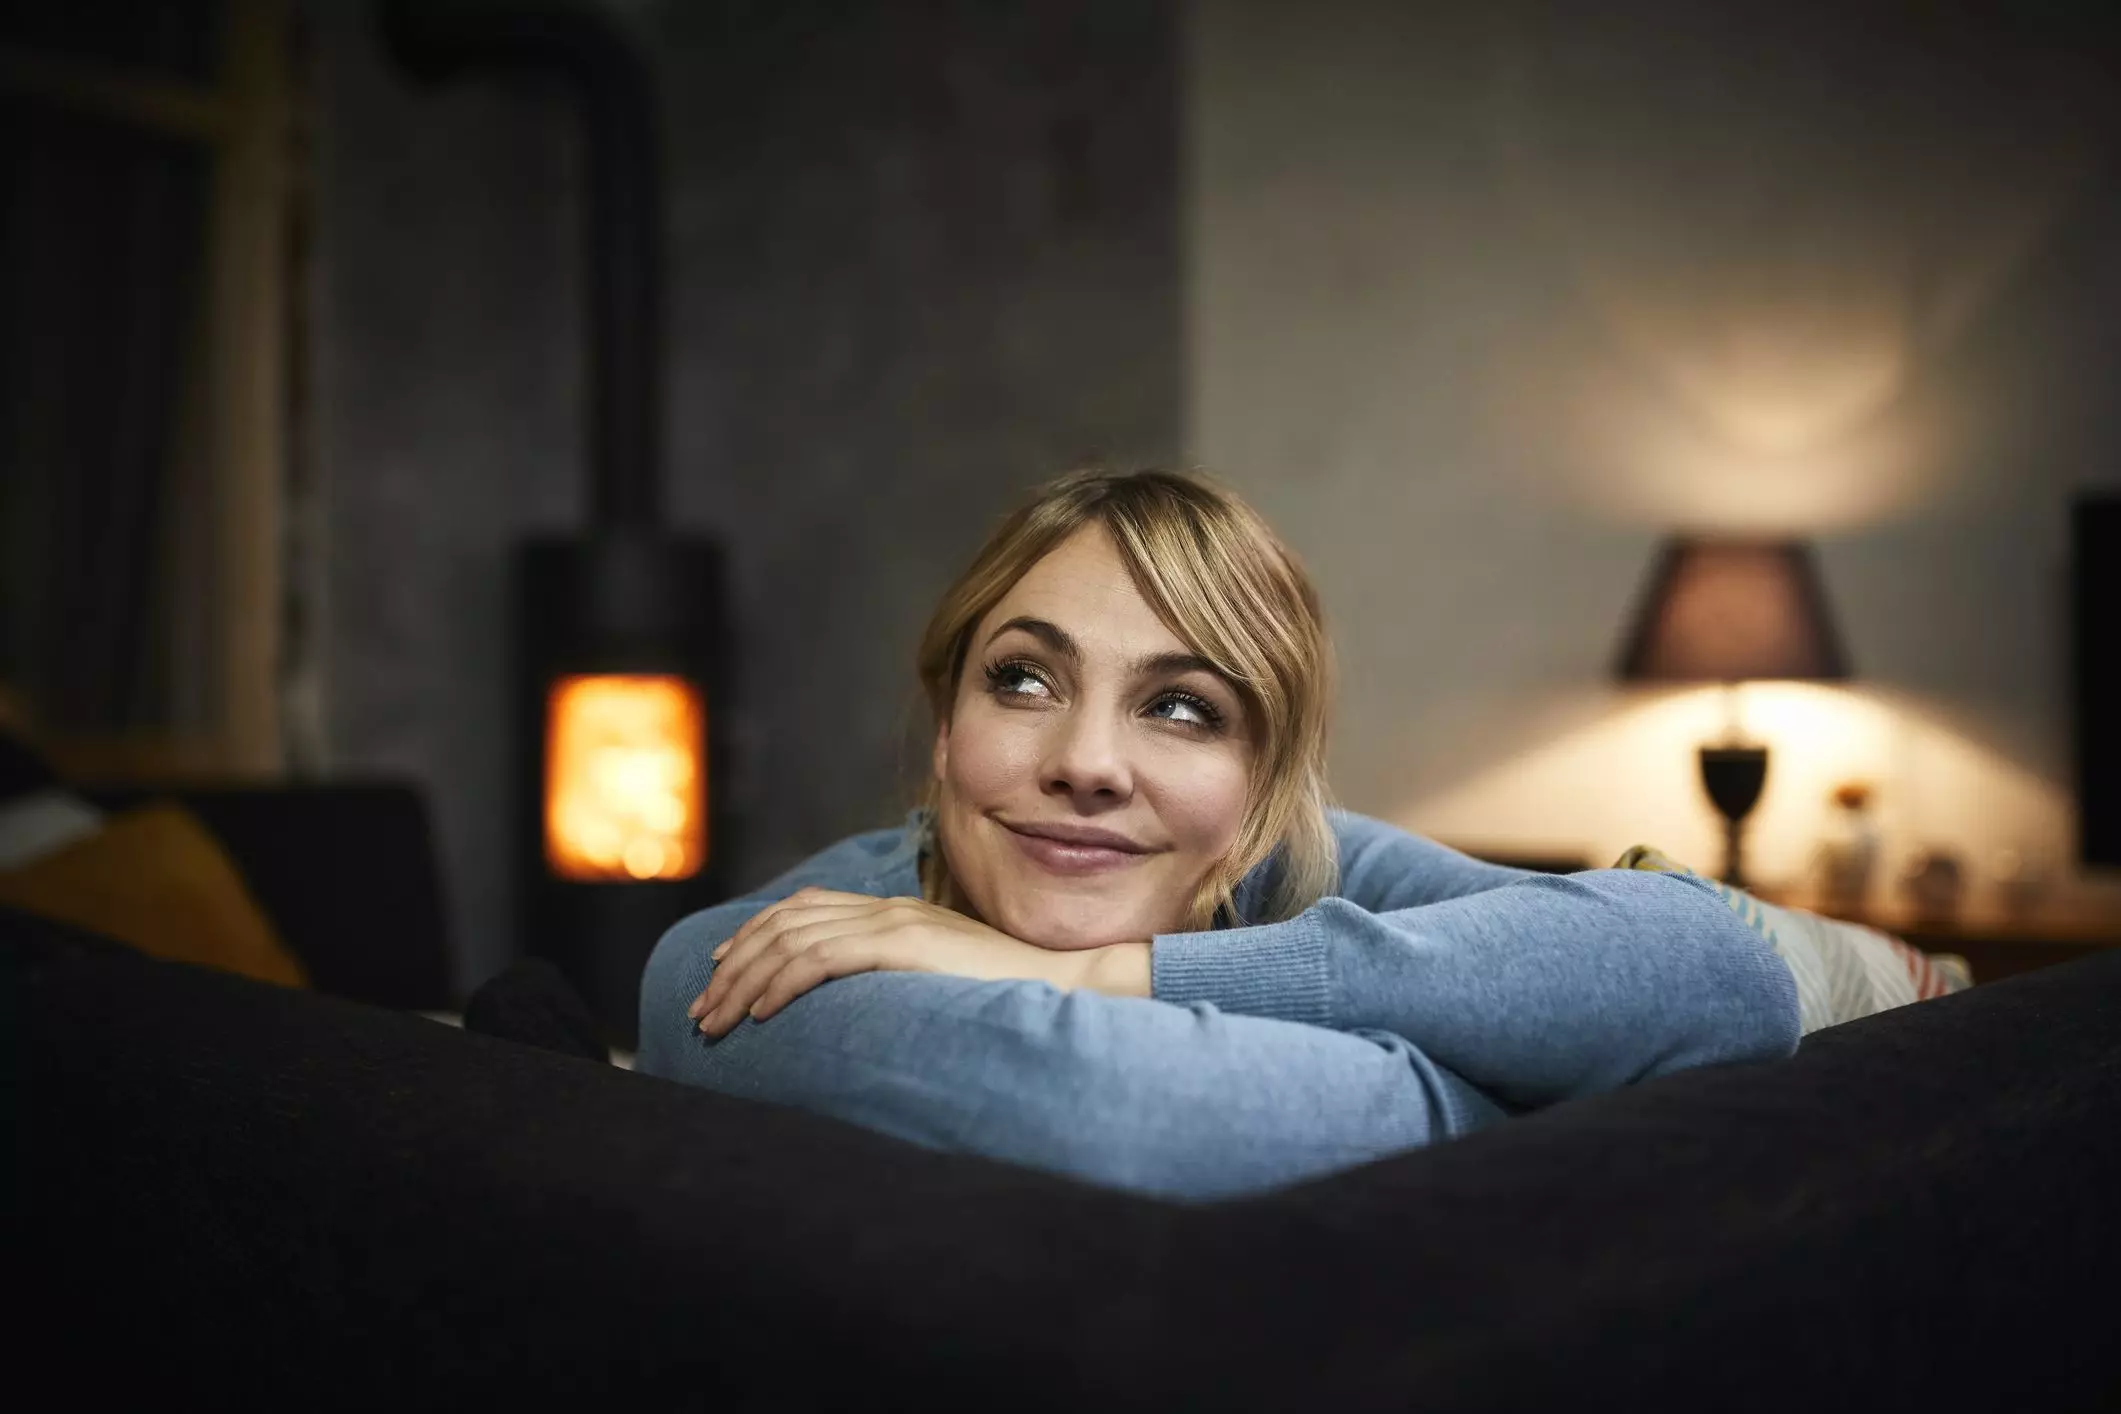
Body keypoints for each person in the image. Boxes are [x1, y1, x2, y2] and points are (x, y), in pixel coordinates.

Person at [637, 468, 1799, 1201]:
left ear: (1263, 787)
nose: (1086, 762)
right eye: (1025, 680)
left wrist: (1108, 970)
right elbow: (1119, 1116)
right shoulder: (749, 962)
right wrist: (1534, 1088)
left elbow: (1727, 973)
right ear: (947, 730)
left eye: (1182, 706)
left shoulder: (1301, 860)